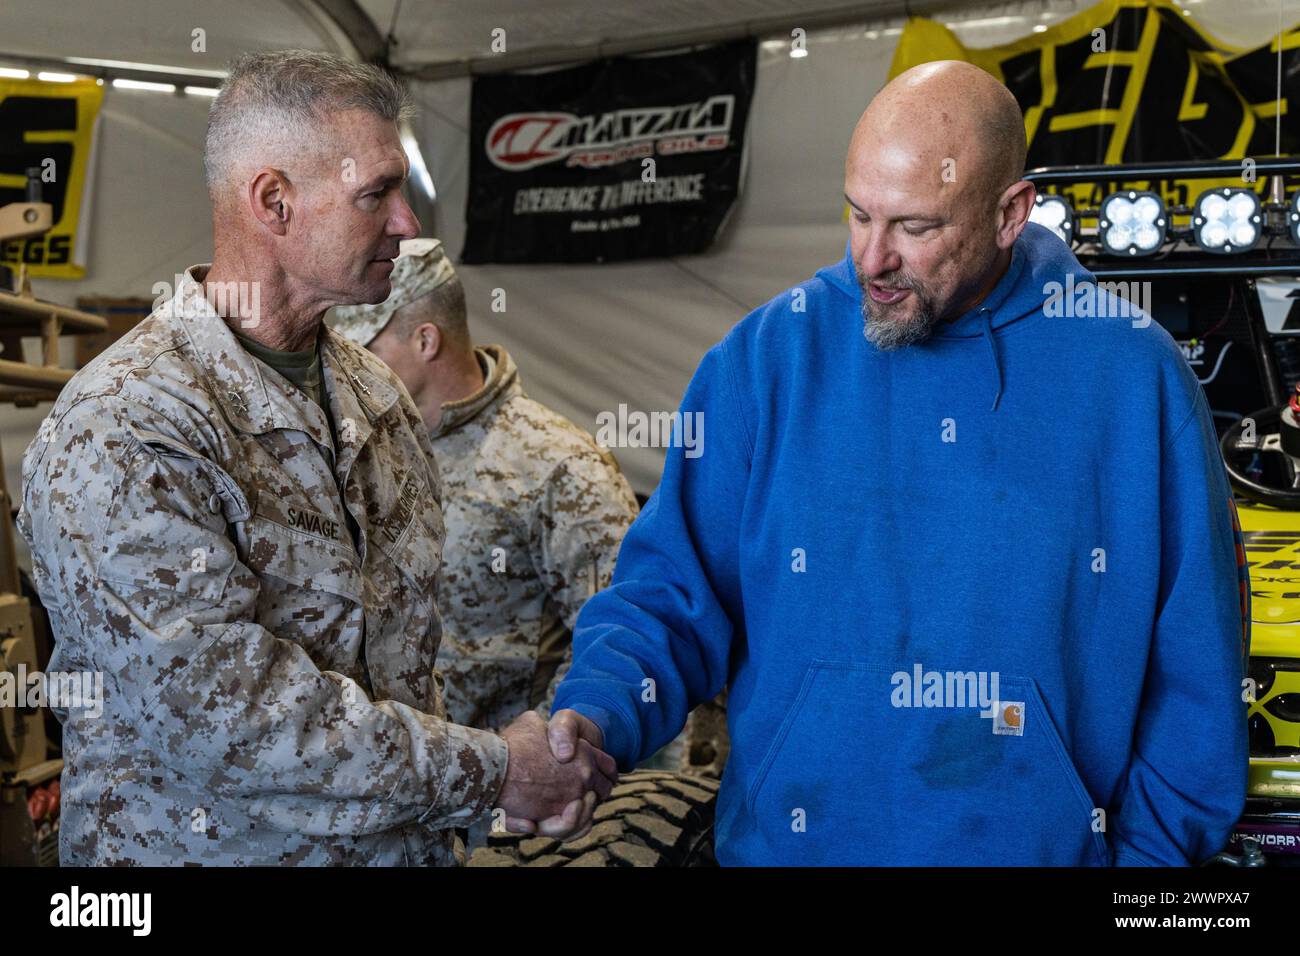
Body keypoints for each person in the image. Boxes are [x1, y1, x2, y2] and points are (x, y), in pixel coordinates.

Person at [544, 60, 1250, 866]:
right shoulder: (764, 363)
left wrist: (1149, 871)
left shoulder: (1134, 381)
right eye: (857, 215)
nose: (872, 260)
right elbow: (671, 596)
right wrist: (596, 712)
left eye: (915, 227)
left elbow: (1199, 676)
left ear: (1010, 213)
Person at [18, 50, 612, 867]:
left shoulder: (375, 397)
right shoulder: (124, 426)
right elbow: (232, 717)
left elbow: (406, 661)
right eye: (377, 193)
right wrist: (499, 771)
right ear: (274, 202)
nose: (407, 223)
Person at [330, 241, 638, 740]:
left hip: (503, 794)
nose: (347, 370)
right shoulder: (359, 451)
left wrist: (543, 758)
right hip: (391, 778)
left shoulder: (555, 463)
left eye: (365, 351)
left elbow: (620, 638)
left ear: (425, 341)